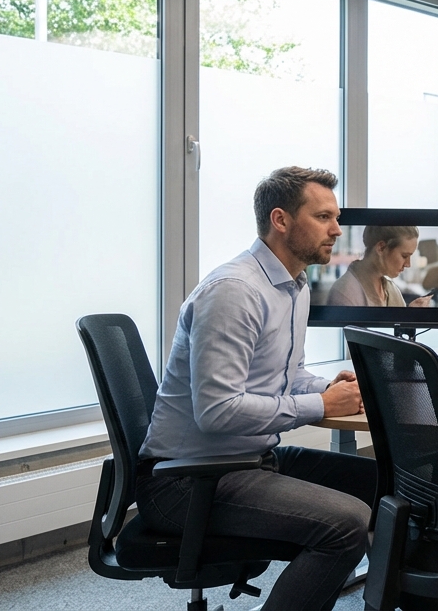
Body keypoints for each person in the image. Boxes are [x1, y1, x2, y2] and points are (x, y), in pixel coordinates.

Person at [135, 167, 377, 611]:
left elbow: (286, 374)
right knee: (347, 524)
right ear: (280, 220)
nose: (338, 231)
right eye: (323, 217)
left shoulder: (294, 285)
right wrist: (320, 404)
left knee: (388, 483)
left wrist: (328, 387)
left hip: (250, 458)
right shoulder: (235, 292)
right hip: (188, 481)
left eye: (336, 218)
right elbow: (218, 411)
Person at [326, 224, 432, 307]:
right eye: (404, 256)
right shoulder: (345, 293)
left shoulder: (392, 290)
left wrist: (410, 315)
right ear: (381, 248)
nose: (408, 264)